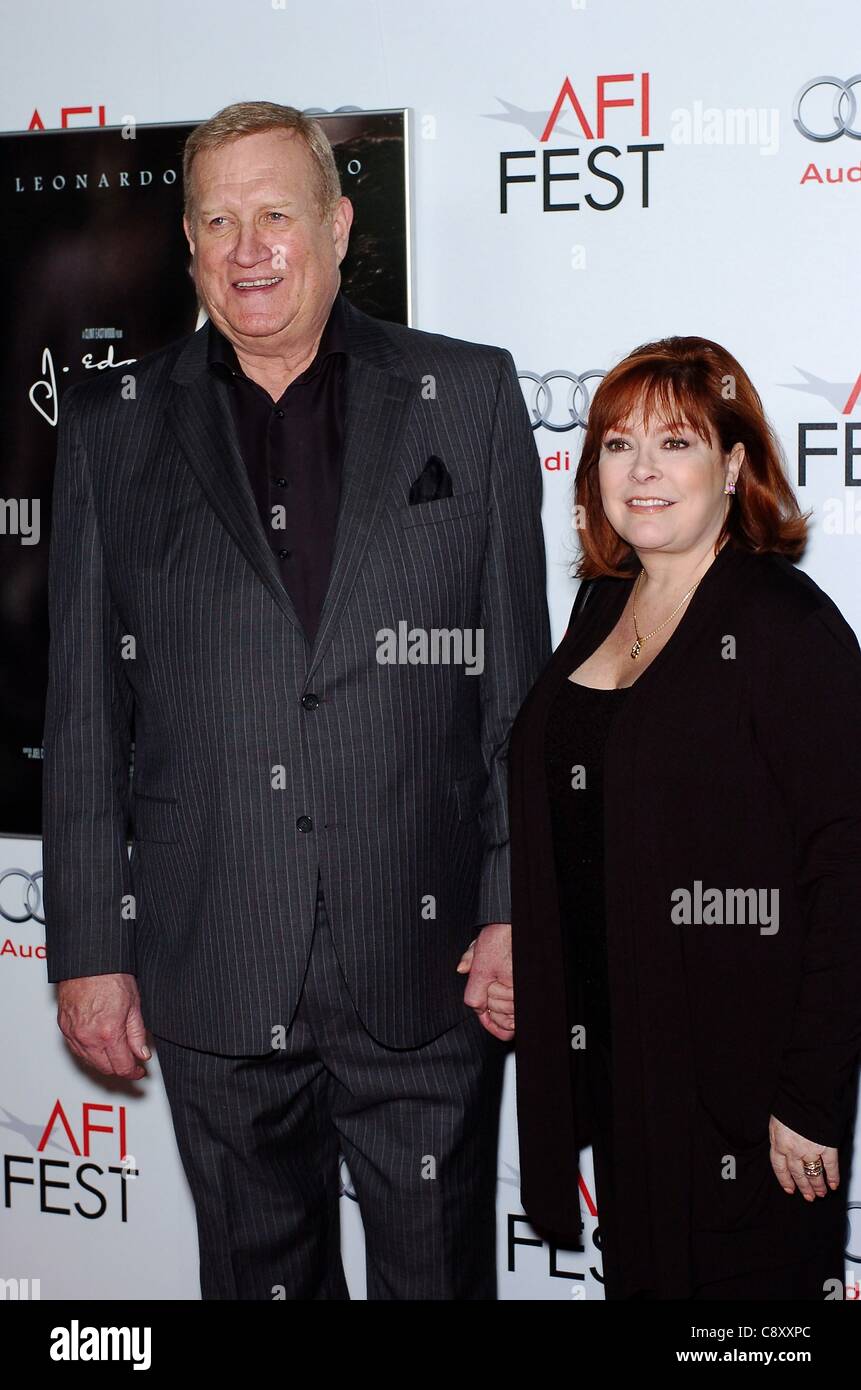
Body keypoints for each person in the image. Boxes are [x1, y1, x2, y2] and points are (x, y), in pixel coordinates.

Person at [41, 100, 550, 1300]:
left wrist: (515, 899)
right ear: (186, 245)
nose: (247, 246)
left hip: (427, 967)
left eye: (276, 212)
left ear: (338, 224)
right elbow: (79, 718)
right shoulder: (111, 428)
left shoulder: (463, 397)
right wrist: (87, 948)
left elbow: (516, 691)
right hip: (214, 955)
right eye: (216, 220)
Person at [507, 335, 861, 1299]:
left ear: (734, 464)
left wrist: (807, 1096)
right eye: (618, 446)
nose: (643, 471)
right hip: (630, 1070)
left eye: (676, 442)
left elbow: (848, 867)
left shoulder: (785, 624)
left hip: (745, 1096)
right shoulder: (599, 606)